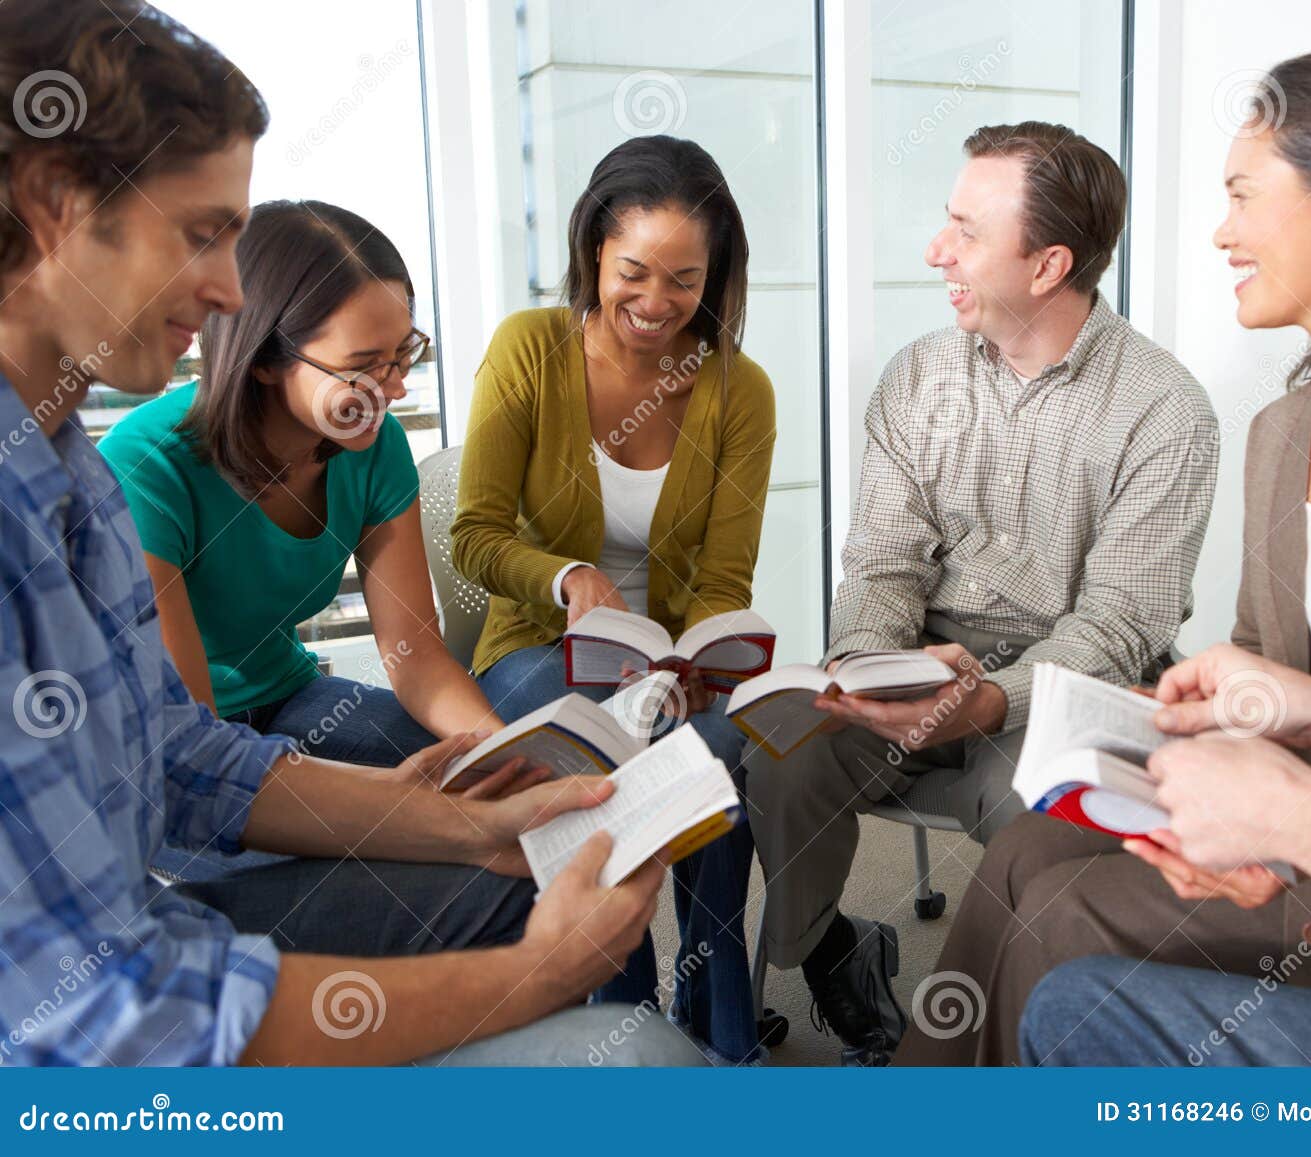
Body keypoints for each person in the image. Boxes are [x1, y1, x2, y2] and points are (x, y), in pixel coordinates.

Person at [0, 0, 698, 1068]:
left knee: (444, 791)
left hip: (200, 830)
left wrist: (467, 811)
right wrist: (535, 973)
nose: (228, 288)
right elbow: (102, 1020)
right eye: (200, 233)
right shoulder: (130, 468)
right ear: (54, 205)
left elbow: (184, 754)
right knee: (638, 1059)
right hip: (99, 1046)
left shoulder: (67, 472)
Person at [896, 50, 1311, 1066]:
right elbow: (1260, 653)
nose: (1220, 230)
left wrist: (1292, 812)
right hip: (1276, 807)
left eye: (1243, 196)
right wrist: (1182, 732)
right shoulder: (1282, 431)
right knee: (1027, 838)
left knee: (1067, 910)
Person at [743, 121, 1219, 1065]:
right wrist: (873, 670)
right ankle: (831, 947)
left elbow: (1119, 625)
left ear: (1047, 265)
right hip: (920, 664)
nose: (936, 250)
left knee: (1036, 827)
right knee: (780, 752)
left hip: (1059, 694)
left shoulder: (1166, 412)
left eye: (965, 230)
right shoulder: (917, 375)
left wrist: (991, 700)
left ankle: (1003, 1048)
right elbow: (880, 561)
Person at [453, 135, 776, 1063]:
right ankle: (622, 1011)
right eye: (634, 271)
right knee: (614, 749)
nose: (655, 303)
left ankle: (723, 1030)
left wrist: (684, 666)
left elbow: (724, 578)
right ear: (594, 246)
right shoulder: (529, 350)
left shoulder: (737, 390)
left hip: (672, 662)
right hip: (533, 648)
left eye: (684, 279)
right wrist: (566, 577)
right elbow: (475, 534)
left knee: (719, 757)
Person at [99, 200, 512, 882]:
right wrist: (384, 809)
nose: (396, 388)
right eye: (365, 365)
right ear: (264, 360)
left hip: (290, 699)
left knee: (487, 790)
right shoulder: (148, 463)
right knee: (386, 863)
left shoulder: (372, 445)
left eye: (404, 353)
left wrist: (499, 748)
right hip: (179, 756)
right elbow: (194, 742)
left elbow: (412, 654)